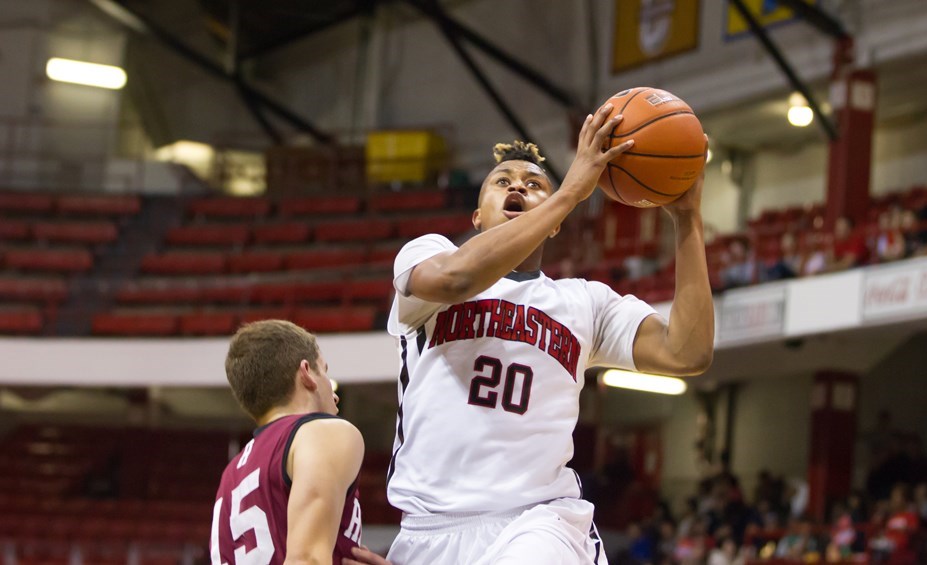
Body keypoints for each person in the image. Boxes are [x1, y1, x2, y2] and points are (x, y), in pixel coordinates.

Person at [385, 104, 715, 564]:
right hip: (430, 531)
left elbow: (687, 353)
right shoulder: (428, 254)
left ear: (555, 224)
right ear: (477, 217)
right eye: (502, 181)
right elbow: (455, 279)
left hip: (539, 522)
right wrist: (570, 191)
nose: (517, 186)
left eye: (535, 184)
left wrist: (687, 219)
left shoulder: (586, 302)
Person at [210, 320, 389, 565]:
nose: (334, 394)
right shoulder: (322, 432)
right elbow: (307, 560)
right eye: (324, 371)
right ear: (306, 373)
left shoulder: (232, 473)